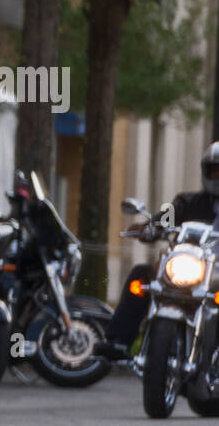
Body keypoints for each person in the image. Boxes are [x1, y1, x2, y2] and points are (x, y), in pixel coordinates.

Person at [94, 141, 219, 361]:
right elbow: (165, 218)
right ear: (205, 171)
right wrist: (149, 228)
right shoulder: (186, 201)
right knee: (142, 276)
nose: (218, 176)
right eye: (215, 170)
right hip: (188, 267)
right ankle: (118, 341)